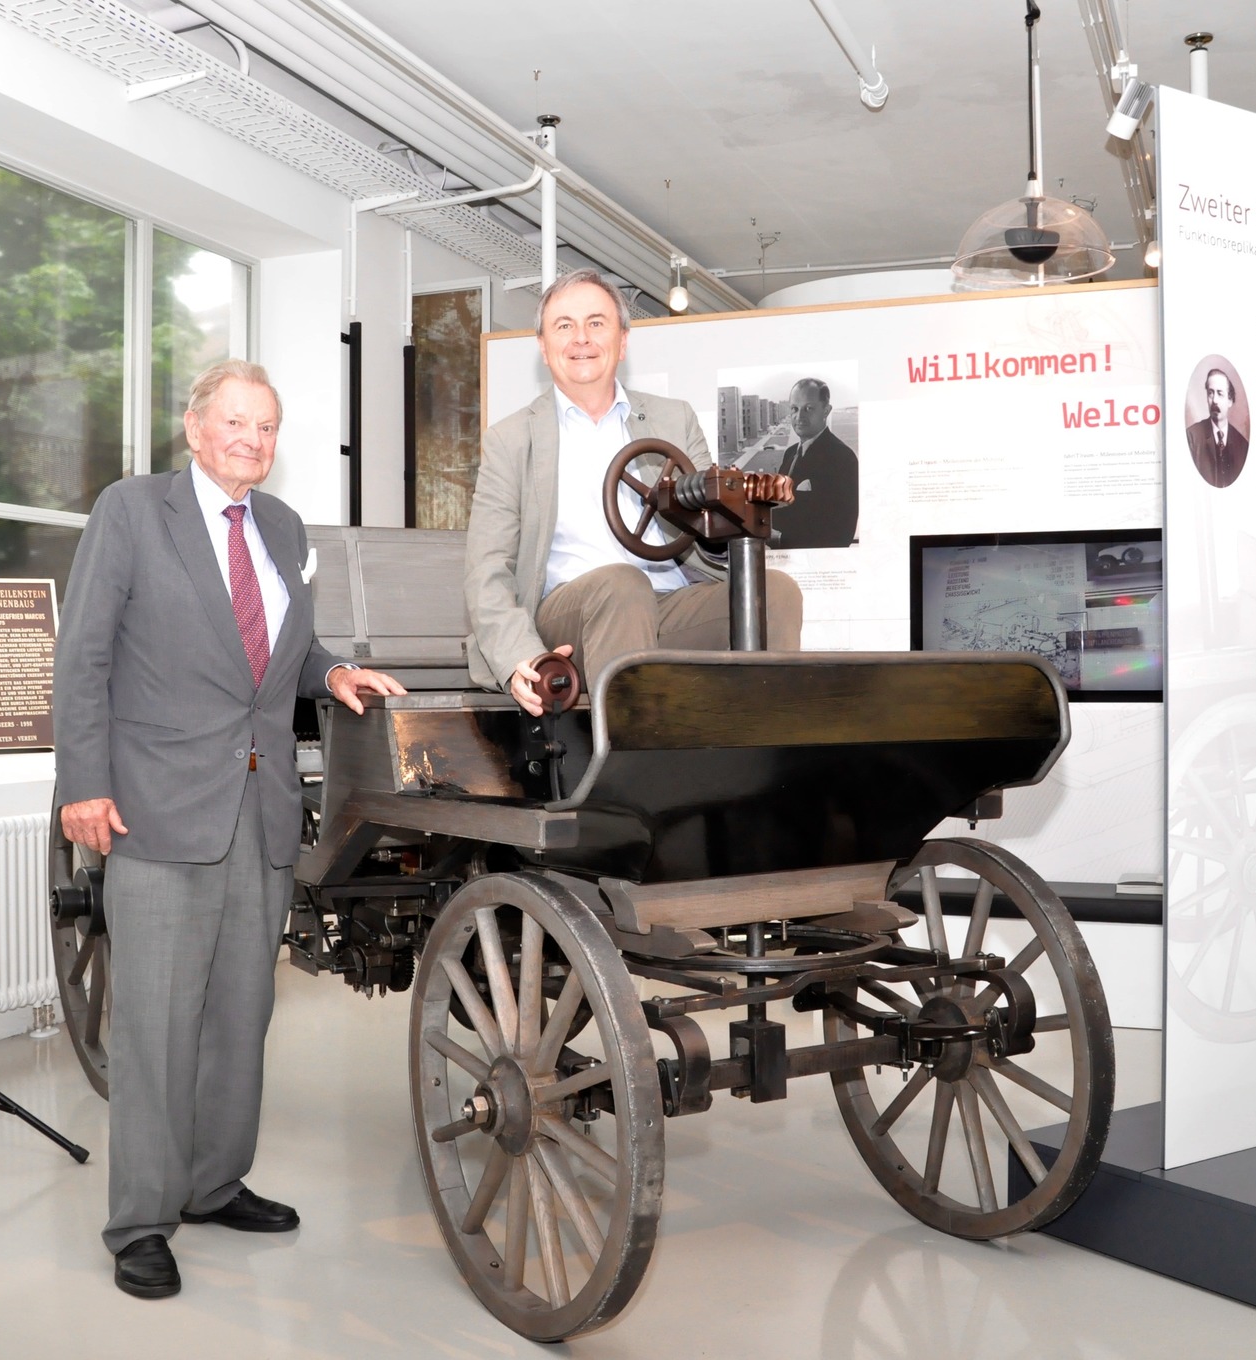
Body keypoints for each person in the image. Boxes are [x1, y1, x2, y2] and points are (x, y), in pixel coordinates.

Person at [53, 359, 405, 1300]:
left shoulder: (281, 526)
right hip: (157, 806)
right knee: (156, 1027)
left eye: (268, 426)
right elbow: (83, 655)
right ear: (195, 427)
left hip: (261, 809)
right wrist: (82, 783)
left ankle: (213, 1183)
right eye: (237, 422)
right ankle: (141, 1220)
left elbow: (282, 650)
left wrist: (333, 673)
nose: (253, 440)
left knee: (241, 1017)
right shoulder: (133, 511)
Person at [465, 268, 804, 715]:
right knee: (622, 584)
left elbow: (711, 532)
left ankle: (767, 743)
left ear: (622, 341)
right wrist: (520, 657)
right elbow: (487, 570)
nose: (581, 338)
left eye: (596, 323)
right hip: (569, 616)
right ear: (544, 348)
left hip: (669, 603)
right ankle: (632, 750)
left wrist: (736, 512)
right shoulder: (510, 440)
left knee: (775, 592)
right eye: (564, 326)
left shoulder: (673, 419)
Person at [770, 378, 859, 549]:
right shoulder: (790, 454)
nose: (799, 416)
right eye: (794, 409)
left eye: (809, 408)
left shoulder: (843, 458)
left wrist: (780, 539)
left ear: (826, 410)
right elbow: (779, 510)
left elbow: (842, 533)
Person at [1186, 367, 1248, 487]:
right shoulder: (1192, 437)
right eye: (1210, 393)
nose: (1214, 400)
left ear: (1230, 400)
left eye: (1220, 393)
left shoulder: (1242, 445)